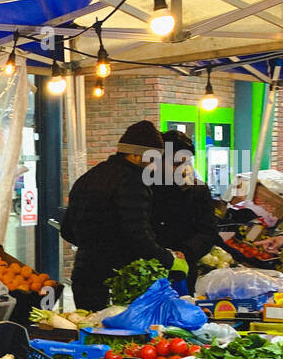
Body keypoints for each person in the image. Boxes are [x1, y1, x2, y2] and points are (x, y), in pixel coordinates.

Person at [61, 120, 187, 310]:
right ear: (136, 155)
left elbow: (67, 230)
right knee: (119, 336)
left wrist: (93, 244)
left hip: (85, 276)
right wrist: (169, 260)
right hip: (120, 281)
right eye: (152, 158)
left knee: (89, 334)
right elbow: (137, 236)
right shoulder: (132, 183)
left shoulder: (89, 177)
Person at [151, 130, 220, 294]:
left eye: (187, 162)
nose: (183, 169)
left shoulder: (198, 190)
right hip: (147, 272)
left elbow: (208, 231)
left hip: (183, 272)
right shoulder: (143, 189)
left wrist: (185, 252)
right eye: (176, 163)